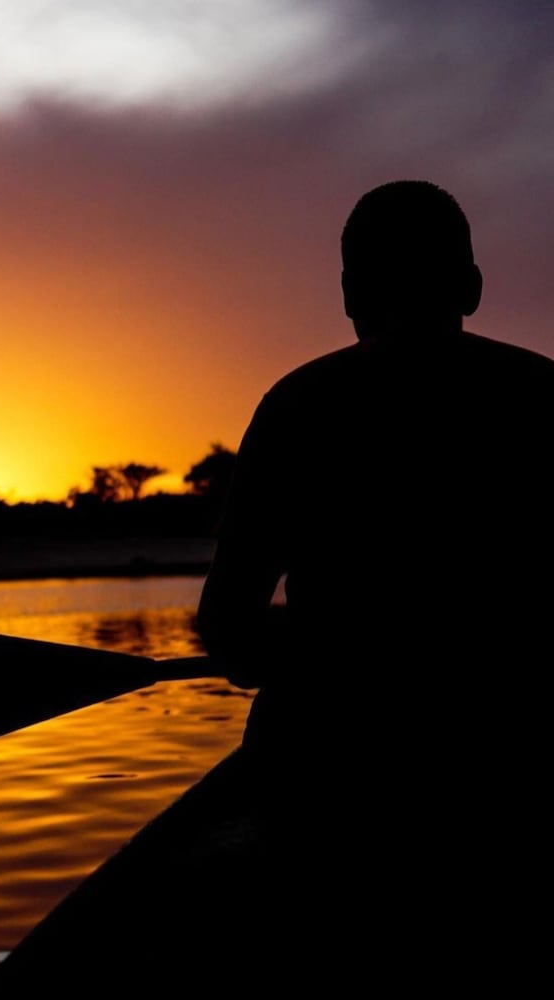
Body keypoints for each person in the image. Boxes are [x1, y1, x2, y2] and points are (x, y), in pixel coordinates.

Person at [196, 179, 554, 977]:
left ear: (350, 295)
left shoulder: (296, 406)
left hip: (334, 784)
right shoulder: (547, 398)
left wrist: (306, 651)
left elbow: (227, 627)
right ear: (472, 286)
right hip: (515, 780)